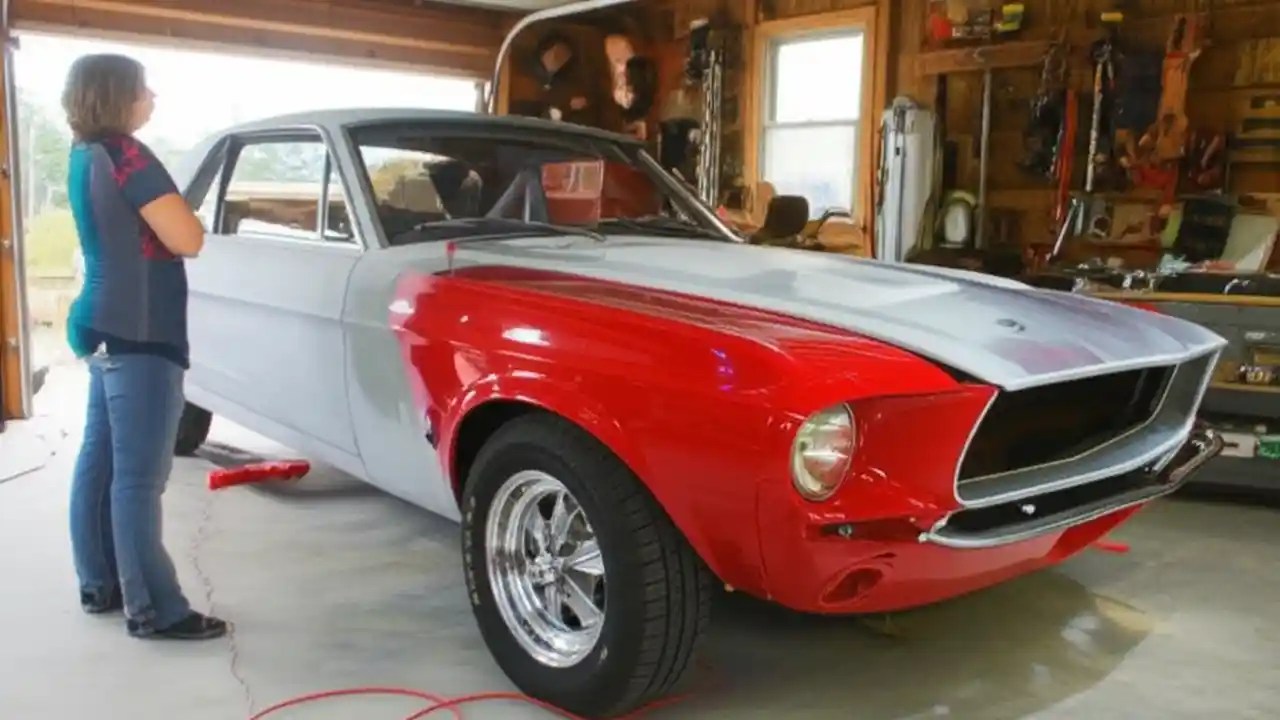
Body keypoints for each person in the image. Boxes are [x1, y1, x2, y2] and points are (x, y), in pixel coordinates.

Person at [62, 53, 225, 640]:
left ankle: (99, 583)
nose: (151, 96)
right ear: (117, 96)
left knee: (99, 461)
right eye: (143, 88)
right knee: (137, 480)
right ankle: (156, 609)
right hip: (141, 332)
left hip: (97, 324)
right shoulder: (128, 153)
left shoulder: (84, 154)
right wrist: (187, 213)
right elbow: (188, 238)